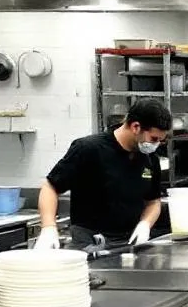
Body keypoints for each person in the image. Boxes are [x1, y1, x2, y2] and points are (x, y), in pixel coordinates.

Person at [37, 98, 171, 250]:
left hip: (129, 242)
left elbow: (153, 202)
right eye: (153, 139)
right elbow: (50, 187)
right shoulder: (89, 149)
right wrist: (48, 227)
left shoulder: (149, 158)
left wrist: (145, 224)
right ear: (135, 127)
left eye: (160, 140)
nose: (156, 145)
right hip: (91, 243)